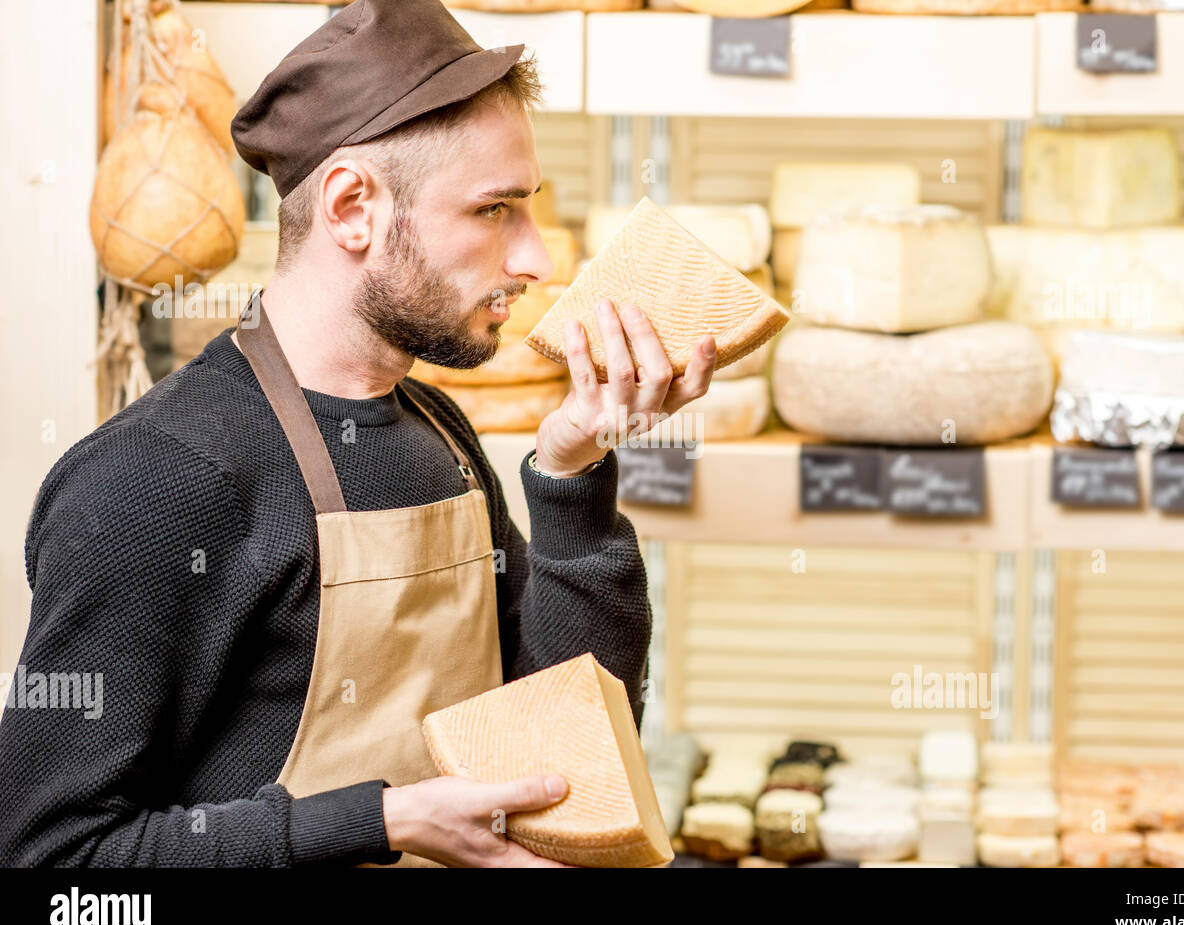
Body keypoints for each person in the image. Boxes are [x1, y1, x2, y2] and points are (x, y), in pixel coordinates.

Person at [0, 0, 715, 867]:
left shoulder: (437, 435)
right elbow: (50, 861)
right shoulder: (153, 482)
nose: (536, 260)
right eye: (495, 211)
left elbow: (568, 760)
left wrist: (573, 471)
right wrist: (377, 822)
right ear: (350, 208)